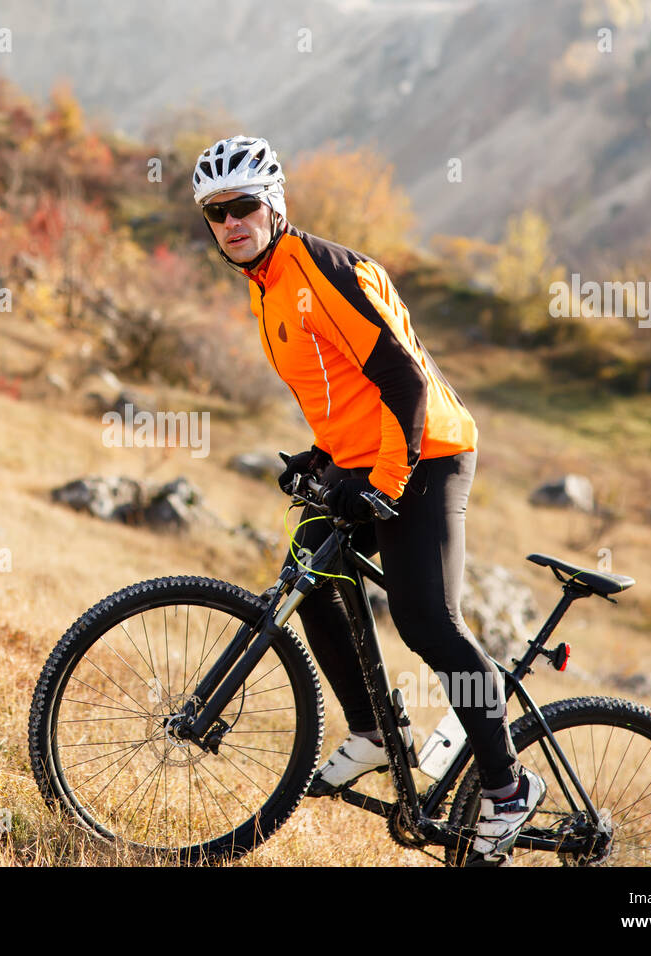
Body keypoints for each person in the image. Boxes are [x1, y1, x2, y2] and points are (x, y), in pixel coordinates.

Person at [191, 134, 545, 865]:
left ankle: (509, 786)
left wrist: (383, 486)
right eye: (215, 212)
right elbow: (343, 390)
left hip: (429, 453)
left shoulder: (320, 269)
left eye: (243, 205)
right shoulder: (265, 286)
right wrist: (320, 458)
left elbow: (407, 384)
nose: (231, 222)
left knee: (426, 621)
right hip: (364, 458)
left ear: (275, 203)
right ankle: (376, 732)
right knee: (309, 581)